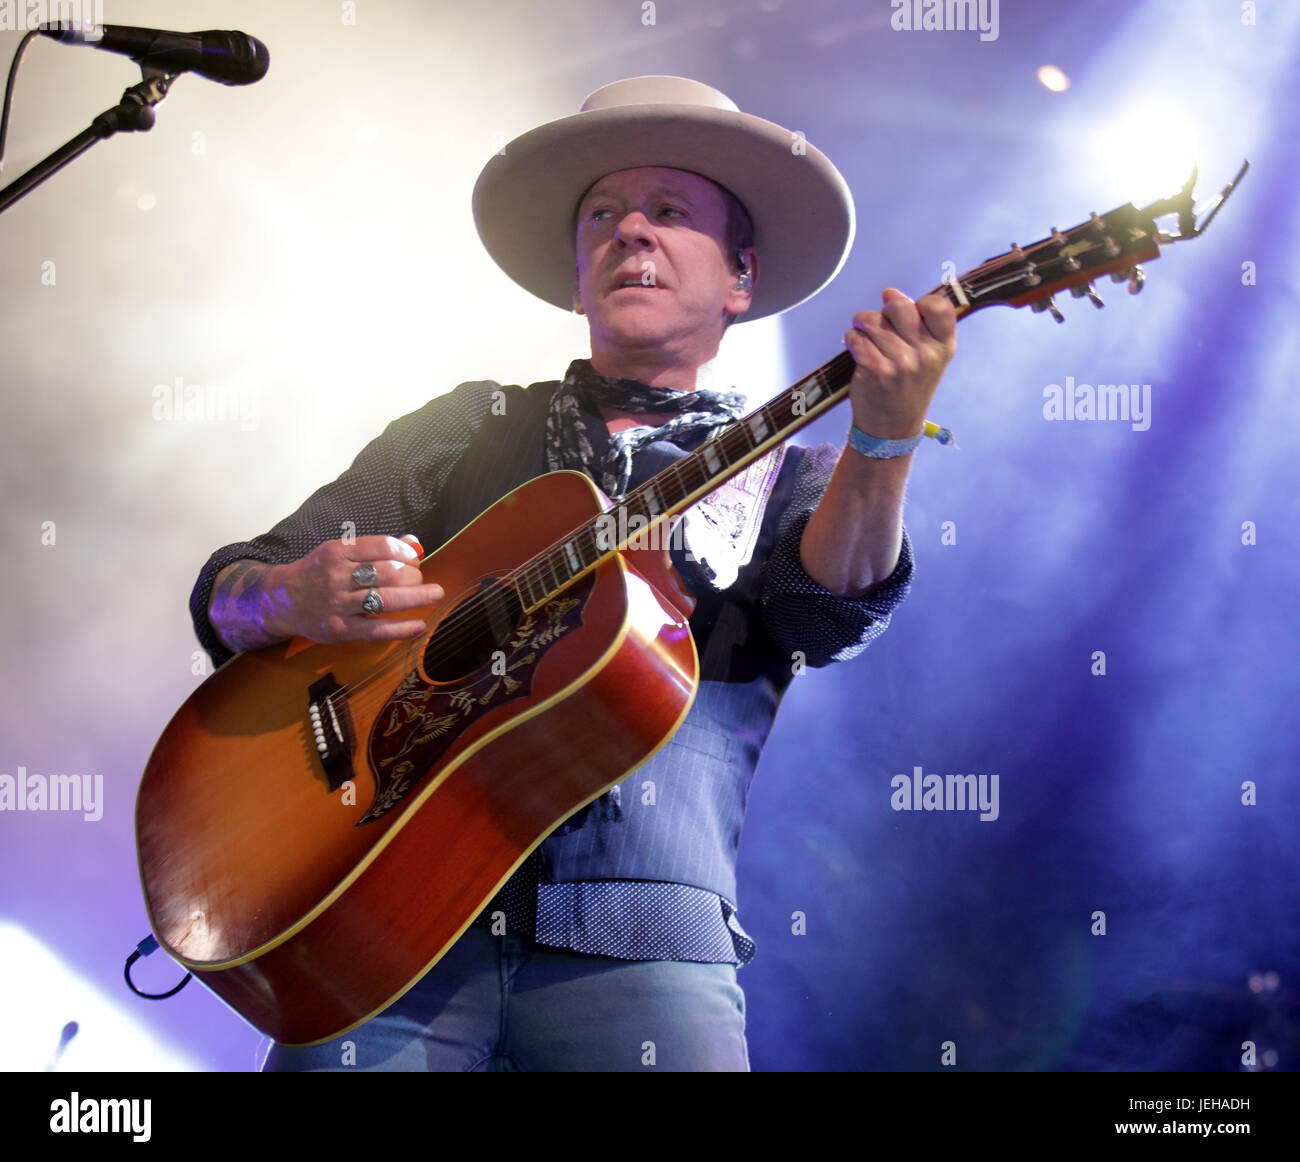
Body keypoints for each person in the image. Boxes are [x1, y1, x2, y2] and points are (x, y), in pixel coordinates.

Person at [189, 75, 956, 1071]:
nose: (628, 230)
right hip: (384, 928)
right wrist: (283, 594)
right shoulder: (466, 427)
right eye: (603, 213)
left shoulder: (792, 472)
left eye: (669, 212)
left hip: (644, 954)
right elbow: (231, 586)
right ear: (578, 269)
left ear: (739, 276)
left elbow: (829, 613)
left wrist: (885, 444)